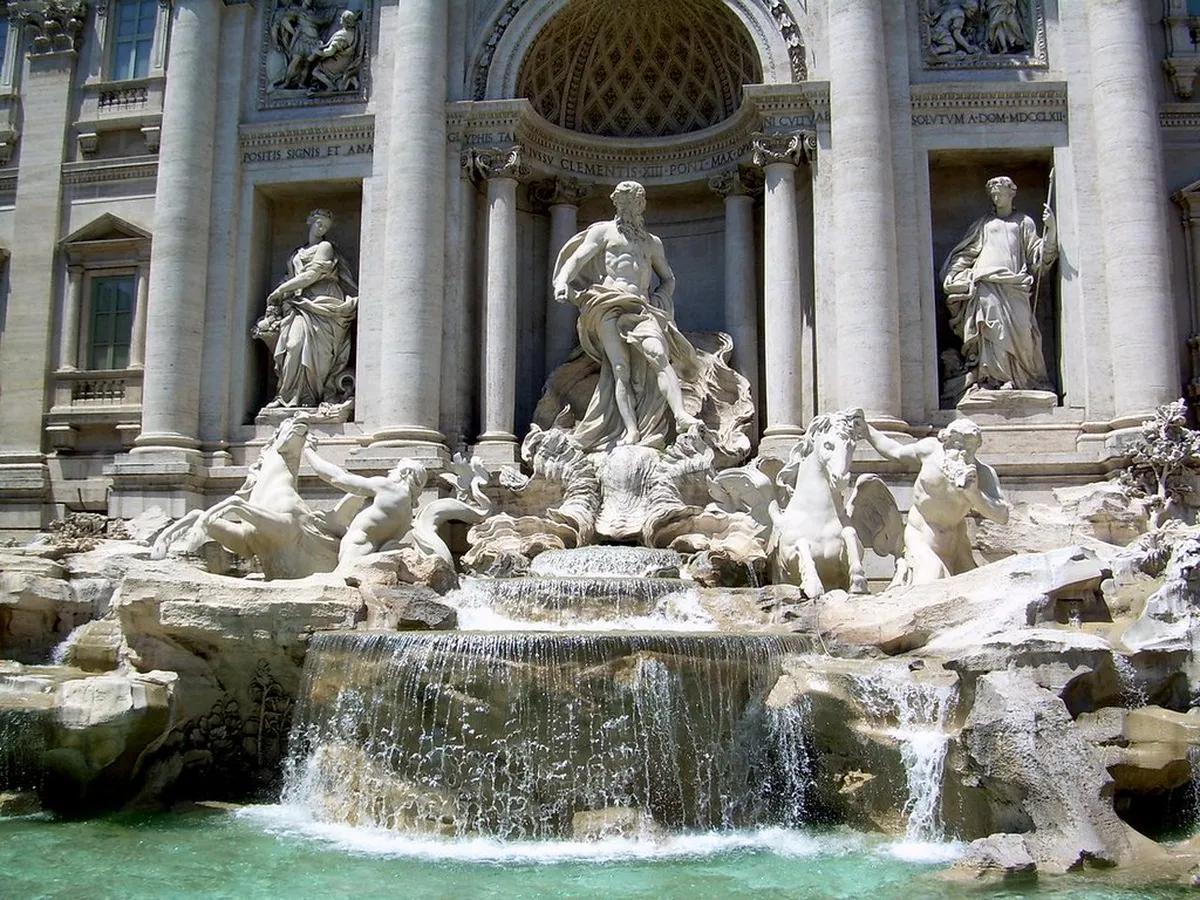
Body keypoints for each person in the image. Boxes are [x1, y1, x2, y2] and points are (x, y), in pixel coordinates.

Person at [551, 181, 701, 451]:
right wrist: (562, 281)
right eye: (623, 202)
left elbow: (668, 278)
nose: (628, 207)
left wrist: (660, 300)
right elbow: (577, 260)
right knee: (620, 369)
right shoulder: (604, 233)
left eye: (633, 202)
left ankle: (680, 415)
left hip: (642, 306)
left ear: (641, 205)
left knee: (658, 355)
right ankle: (631, 430)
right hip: (608, 302)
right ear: (616, 204)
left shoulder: (652, 243)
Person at [941, 175, 1056, 396]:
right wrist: (955, 274)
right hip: (986, 282)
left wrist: (1051, 230)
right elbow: (966, 253)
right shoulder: (984, 224)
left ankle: (1021, 379)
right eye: (992, 194)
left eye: (1000, 192)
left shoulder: (1024, 222)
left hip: (1015, 284)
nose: (996, 197)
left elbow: (1039, 258)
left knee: (1022, 332)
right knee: (991, 330)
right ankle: (993, 379)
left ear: (1011, 193)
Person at [861, 415, 1009, 585]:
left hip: (956, 542)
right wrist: (867, 430)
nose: (961, 451)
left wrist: (975, 494)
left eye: (968, 447)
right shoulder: (930, 450)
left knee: (974, 590)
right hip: (921, 533)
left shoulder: (982, 473)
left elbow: (1002, 516)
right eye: (956, 443)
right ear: (946, 440)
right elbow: (895, 451)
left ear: (976, 447)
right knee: (932, 579)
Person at [256, 209, 358, 409]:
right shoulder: (297, 252)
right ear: (310, 222)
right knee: (293, 346)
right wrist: (282, 293)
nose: (322, 228)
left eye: (326, 226)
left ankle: (309, 398)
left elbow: (311, 275)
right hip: (298, 304)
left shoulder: (325, 247)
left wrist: (280, 290)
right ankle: (288, 396)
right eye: (319, 223)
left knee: (309, 350)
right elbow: (292, 276)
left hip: (322, 303)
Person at [302, 446, 427, 568]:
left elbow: (338, 478)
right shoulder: (408, 515)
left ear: (405, 472)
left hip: (355, 552)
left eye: (394, 470)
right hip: (369, 556)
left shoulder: (387, 487)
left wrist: (308, 452)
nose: (390, 472)